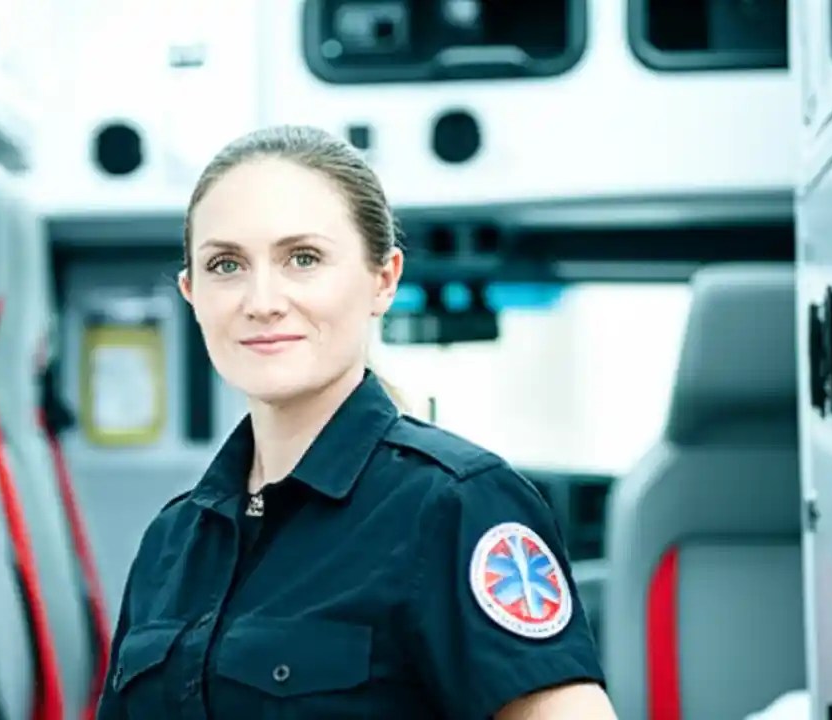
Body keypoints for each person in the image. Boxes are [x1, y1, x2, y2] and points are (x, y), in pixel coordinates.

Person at [95, 125, 616, 719]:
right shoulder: (171, 542)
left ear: (383, 279)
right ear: (191, 291)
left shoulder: (456, 506)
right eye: (226, 265)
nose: (261, 300)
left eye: (303, 258)